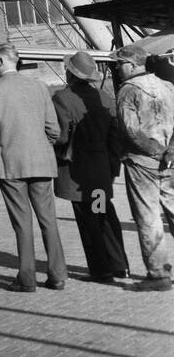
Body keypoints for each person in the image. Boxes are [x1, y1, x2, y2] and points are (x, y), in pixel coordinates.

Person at [0, 42, 67, 292]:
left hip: (10, 164)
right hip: (41, 161)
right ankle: (57, 275)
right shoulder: (40, 87)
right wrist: (40, 147)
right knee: (48, 218)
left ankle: (27, 278)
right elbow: (54, 130)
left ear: (1, 61)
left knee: (22, 221)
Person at [50, 50, 129, 284]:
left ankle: (100, 270)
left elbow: (61, 137)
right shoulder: (105, 97)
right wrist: (112, 166)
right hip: (101, 169)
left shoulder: (62, 98)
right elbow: (115, 137)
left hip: (78, 172)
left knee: (89, 220)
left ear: (70, 73)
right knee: (103, 214)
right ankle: (119, 265)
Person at [114, 46, 174, 292]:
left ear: (131, 64)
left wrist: (153, 151)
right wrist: (169, 151)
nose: (117, 68)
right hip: (171, 161)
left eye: (119, 64)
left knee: (149, 218)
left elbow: (130, 130)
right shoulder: (168, 86)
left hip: (142, 162)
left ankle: (159, 275)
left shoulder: (127, 91)